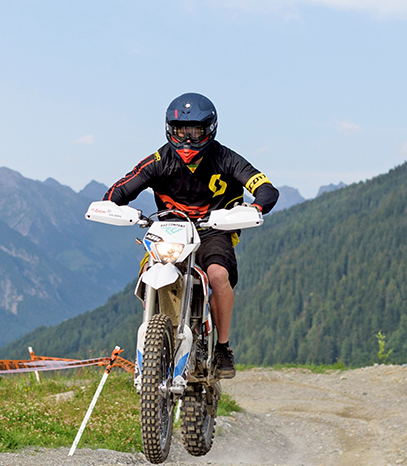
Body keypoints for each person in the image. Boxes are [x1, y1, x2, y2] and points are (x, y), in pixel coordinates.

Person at [103, 93, 278, 378]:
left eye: (195, 131)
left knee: (218, 275)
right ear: (170, 129)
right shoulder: (159, 160)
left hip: (215, 230)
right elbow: (119, 190)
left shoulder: (226, 158)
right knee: (150, 272)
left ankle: (222, 347)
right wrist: (111, 206)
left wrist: (254, 207)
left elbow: (266, 188)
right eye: (181, 130)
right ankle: (156, 341)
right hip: (169, 231)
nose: (187, 139)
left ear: (209, 128)